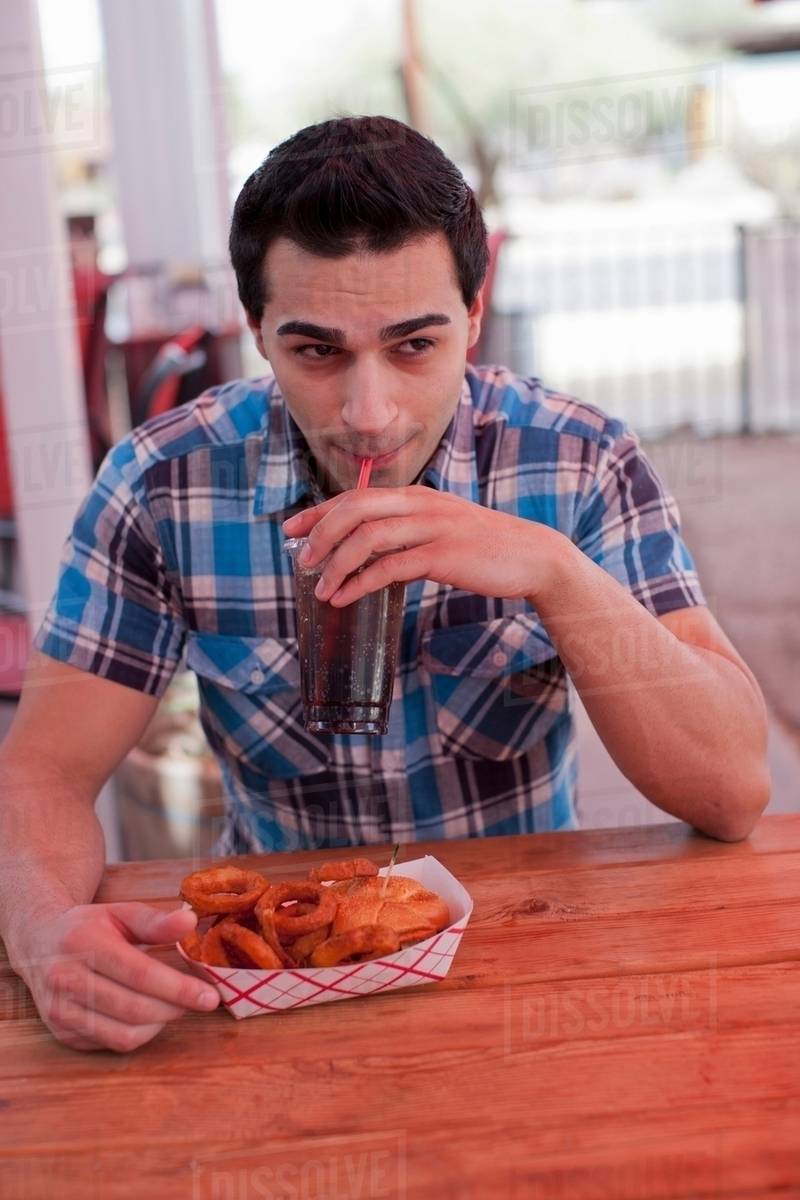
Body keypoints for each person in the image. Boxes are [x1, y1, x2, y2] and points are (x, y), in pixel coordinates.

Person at [0, 115, 769, 1053]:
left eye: (415, 345)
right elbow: (40, 772)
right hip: (278, 973)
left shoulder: (576, 459)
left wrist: (555, 573)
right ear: (257, 333)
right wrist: (43, 934)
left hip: (527, 961)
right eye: (317, 351)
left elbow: (732, 791)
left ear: (475, 314)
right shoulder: (168, 481)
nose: (371, 415)